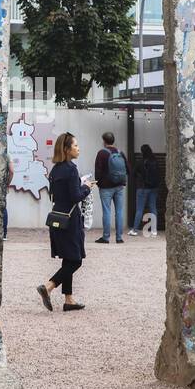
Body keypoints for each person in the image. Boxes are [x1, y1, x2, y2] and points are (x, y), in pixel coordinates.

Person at [37, 132, 93, 312]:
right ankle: (48, 286)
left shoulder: (56, 169)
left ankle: (69, 300)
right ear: (67, 150)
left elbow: (55, 194)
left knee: (68, 258)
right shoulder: (71, 169)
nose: (78, 148)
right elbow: (76, 196)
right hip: (71, 219)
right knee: (76, 260)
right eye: (75, 146)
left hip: (58, 218)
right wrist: (86, 187)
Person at [94, 130, 129, 244]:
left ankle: (106, 237)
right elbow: (128, 169)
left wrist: (99, 184)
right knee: (119, 211)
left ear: (104, 141)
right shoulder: (120, 153)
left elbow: (98, 171)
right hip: (119, 186)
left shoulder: (102, 153)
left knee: (107, 211)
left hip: (105, 187)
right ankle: (119, 238)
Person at [128, 144, 160, 236]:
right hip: (153, 188)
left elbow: (133, 174)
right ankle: (154, 230)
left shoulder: (140, 162)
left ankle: (135, 230)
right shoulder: (155, 161)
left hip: (142, 188)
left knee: (139, 209)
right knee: (153, 208)